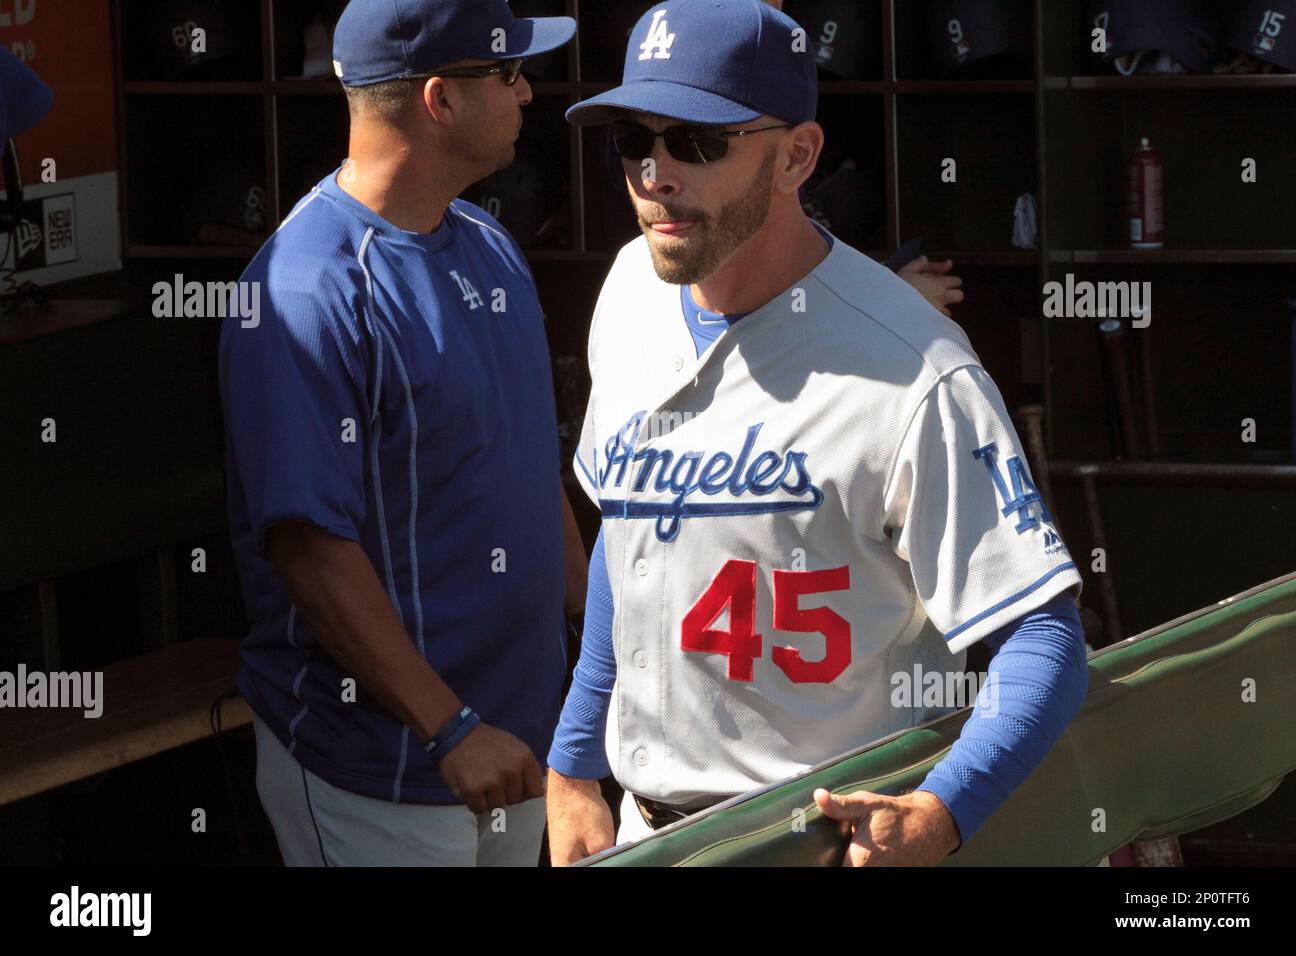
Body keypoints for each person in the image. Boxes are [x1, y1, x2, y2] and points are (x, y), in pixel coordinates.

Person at [545, 0, 1088, 867]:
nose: (654, 173)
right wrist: (574, 766)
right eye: (633, 142)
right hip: (646, 834)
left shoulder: (915, 368)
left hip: (819, 839)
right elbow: (628, 526)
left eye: (696, 141)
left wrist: (944, 812)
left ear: (796, 155)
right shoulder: (628, 291)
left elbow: (1041, 638)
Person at [218, 0, 584, 867]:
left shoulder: (489, 245)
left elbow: (535, 476)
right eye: (507, 73)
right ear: (440, 101)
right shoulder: (303, 290)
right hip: (385, 766)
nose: (529, 92)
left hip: (519, 749)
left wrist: (601, 653)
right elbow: (308, 545)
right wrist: (449, 726)